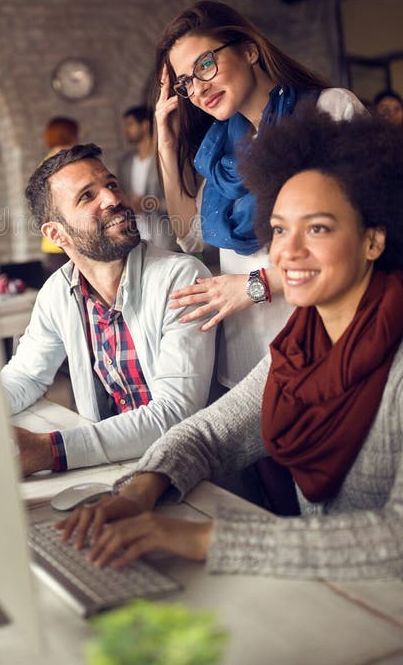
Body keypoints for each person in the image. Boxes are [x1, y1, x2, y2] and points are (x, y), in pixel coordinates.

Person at [59, 108, 403, 581]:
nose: (287, 251)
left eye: (318, 228)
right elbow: (210, 433)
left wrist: (201, 539)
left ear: (373, 240)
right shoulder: (303, 345)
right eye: (279, 229)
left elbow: (395, 540)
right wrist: (138, 492)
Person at [154, 0, 365, 391]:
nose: (197, 89)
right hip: (244, 364)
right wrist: (165, 146)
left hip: (322, 352)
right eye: (185, 82)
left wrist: (254, 284)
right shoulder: (222, 155)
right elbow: (190, 235)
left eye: (205, 65)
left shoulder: (330, 110)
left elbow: (359, 241)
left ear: (249, 50)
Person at [0, 143, 217, 477]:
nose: (113, 199)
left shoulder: (180, 277)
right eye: (87, 196)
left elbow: (175, 414)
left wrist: (52, 451)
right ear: (56, 233)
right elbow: (26, 375)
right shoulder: (58, 292)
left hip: (190, 473)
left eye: (111, 185)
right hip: (109, 470)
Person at [117, 105, 177, 250]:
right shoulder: (125, 162)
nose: (125, 130)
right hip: (135, 239)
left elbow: (182, 198)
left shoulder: (165, 159)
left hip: (164, 237)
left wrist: (149, 203)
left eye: (130, 125)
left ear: (145, 125)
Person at [40, 116, 80, 275]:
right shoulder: (66, 162)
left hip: (53, 240)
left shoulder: (46, 162)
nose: (78, 138)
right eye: (76, 134)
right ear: (67, 135)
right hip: (69, 238)